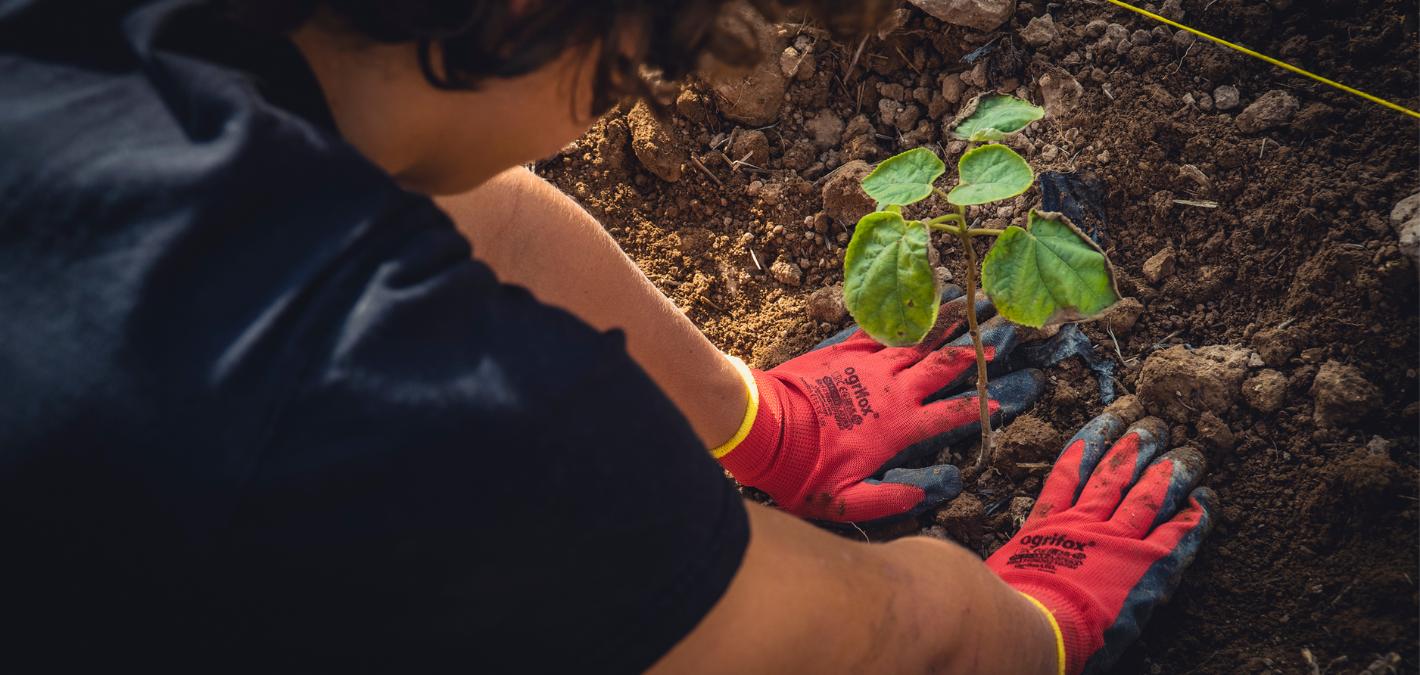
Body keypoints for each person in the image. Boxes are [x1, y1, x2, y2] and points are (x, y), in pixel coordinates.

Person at [0, 0, 1216, 672]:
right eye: (632, 64)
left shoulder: (107, 49)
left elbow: (476, 211)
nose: (619, 106)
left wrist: (756, 420)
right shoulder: (428, 405)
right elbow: (866, 638)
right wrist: (1023, 631)